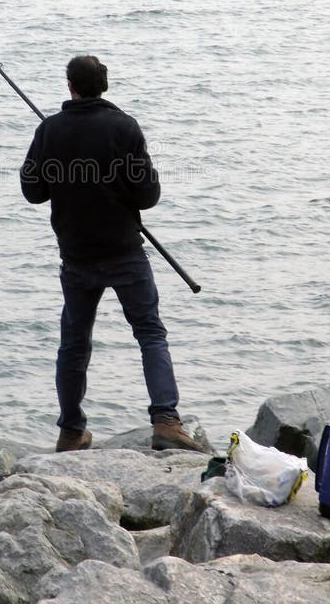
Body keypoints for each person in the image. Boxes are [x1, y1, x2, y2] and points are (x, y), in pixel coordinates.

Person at [20, 55, 205, 453]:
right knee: (150, 333)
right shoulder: (124, 128)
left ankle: (71, 431)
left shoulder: (50, 129)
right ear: (104, 86)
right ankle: (166, 423)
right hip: (124, 252)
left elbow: (32, 191)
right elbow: (148, 196)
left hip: (77, 257)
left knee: (74, 342)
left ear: (70, 85)